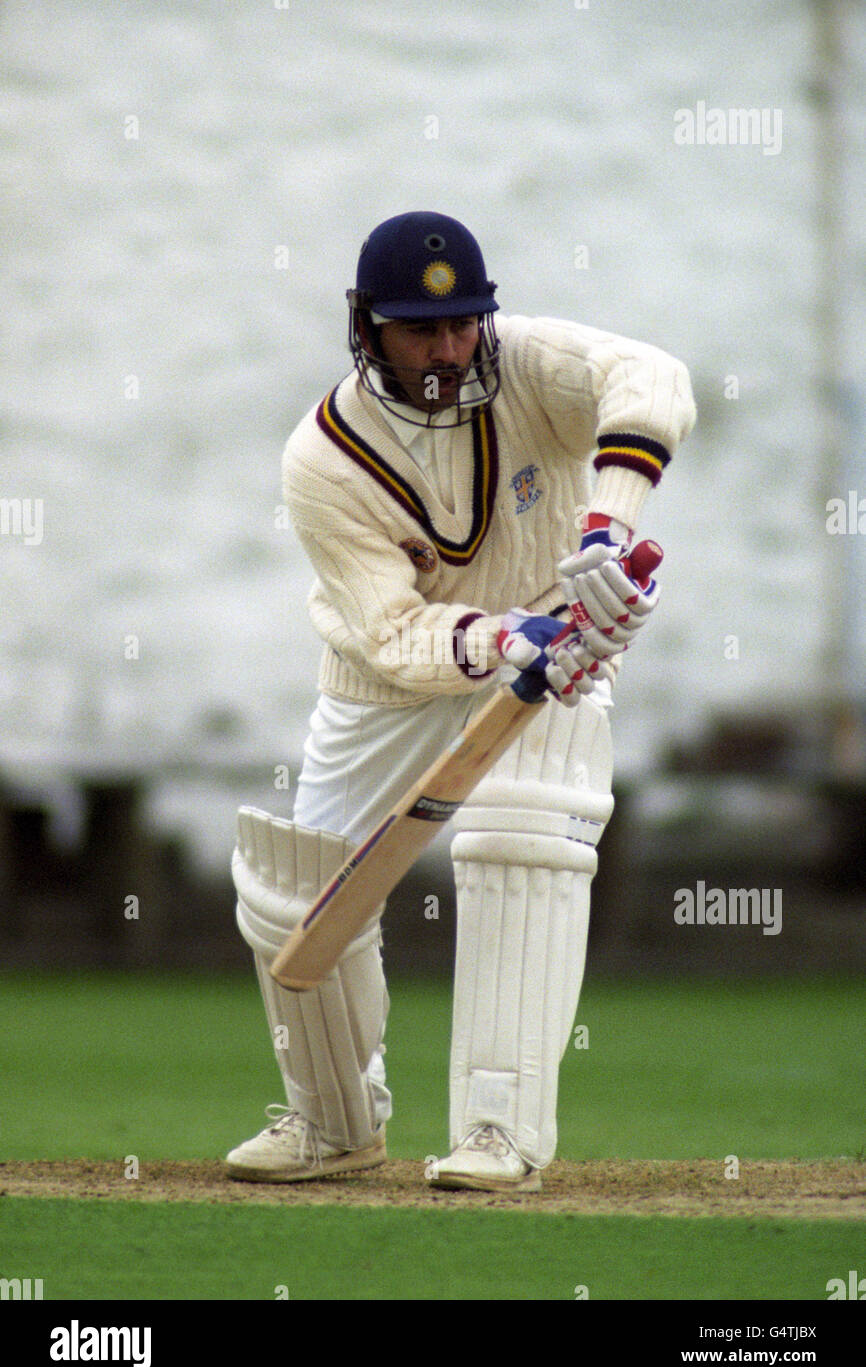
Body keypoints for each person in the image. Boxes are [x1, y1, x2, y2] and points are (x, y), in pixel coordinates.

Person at [226, 210, 695, 1192]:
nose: (446, 350)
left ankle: (497, 1131)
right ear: (367, 327)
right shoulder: (321, 460)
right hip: (386, 685)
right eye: (417, 330)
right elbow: (392, 632)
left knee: (524, 842)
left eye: (461, 325)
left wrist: (604, 532)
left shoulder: (530, 362)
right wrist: (500, 642)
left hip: (555, 646)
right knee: (292, 893)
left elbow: (651, 378)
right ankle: (332, 1123)